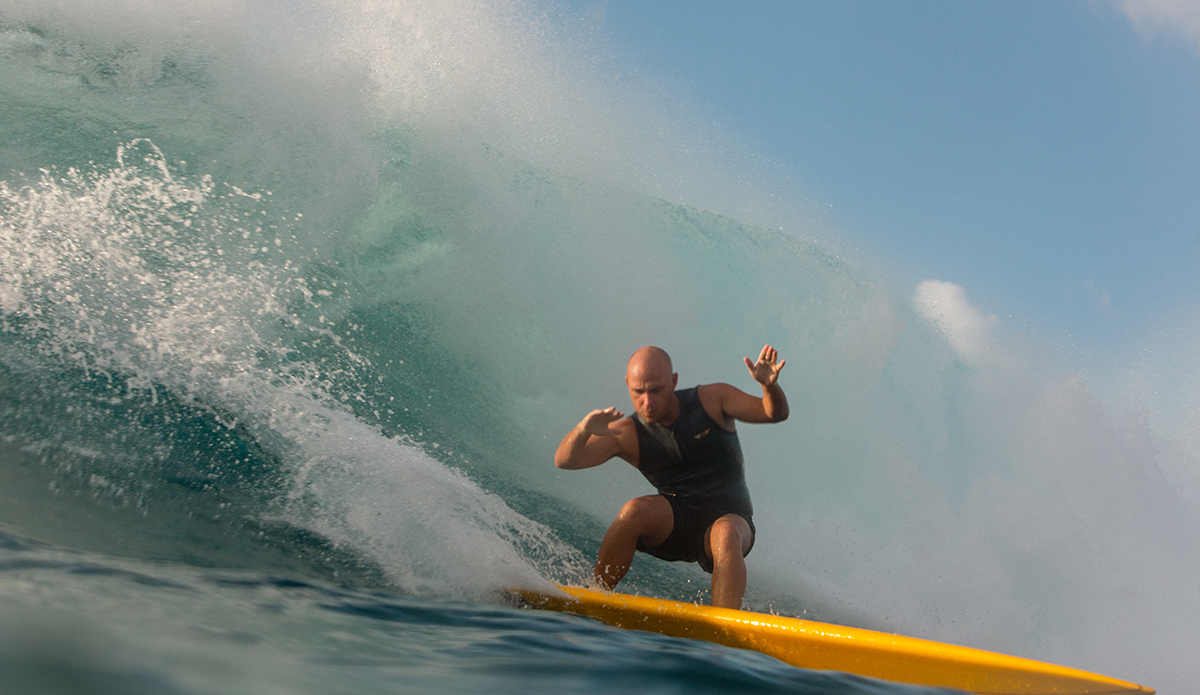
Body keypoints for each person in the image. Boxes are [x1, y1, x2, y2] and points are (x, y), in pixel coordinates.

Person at [554, 344, 788, 609]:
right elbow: (565, 460)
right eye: (638, 392)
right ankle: (592, 597)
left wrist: (769, 387)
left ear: (673, 381)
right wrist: (583, 430)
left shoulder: (712, 400)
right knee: (634, 511)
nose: (647, 401)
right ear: (627, 384)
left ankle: (726, 631)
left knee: (724, 533)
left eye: (656, 390)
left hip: (731, 520)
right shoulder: (626, 433)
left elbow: (774, 413)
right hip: (675, 524)